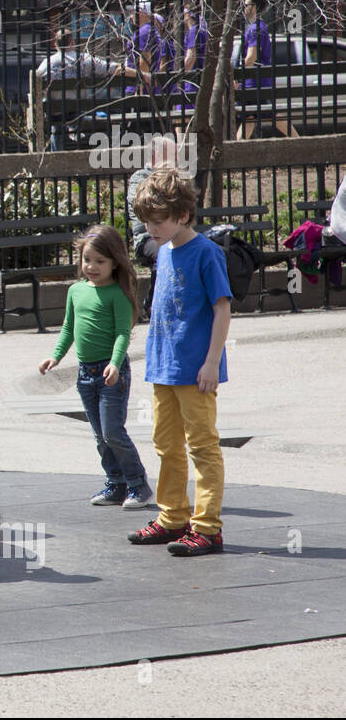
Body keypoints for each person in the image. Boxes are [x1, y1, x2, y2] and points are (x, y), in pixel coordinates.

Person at [128, 169, 231, 556]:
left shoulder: (206, 252)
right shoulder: (165, 251)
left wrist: (211, 363)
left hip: (195, 371)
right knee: (165, 444)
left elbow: (222, 310)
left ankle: (207, 528)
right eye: (146, 223)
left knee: (202, 446)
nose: (151, 230)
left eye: (159, 221)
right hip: (163, 369)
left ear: (183, 215)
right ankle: (173, 517)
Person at [38, 225, 150, 508]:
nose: (92, 266)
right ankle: (116, 483)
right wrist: (56, 356)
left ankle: (138, 485)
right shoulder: (76, 291)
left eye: (100, 261)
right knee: (100, 436)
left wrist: (114, 364)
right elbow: (68, 328)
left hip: (111, 373)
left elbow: (123, 334)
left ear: (115, 262)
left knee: (113, 432)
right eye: (88, 259)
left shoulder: (118, 293)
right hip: (85, 374)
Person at [35, 28, 127, 151]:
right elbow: (113, 68)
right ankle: (81, 142)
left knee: (57, 120)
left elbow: (38, 89)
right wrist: (142, 74)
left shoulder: (47, 63)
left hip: (56, 115)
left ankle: (56, 155)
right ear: (72, 43)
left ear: (55, 44)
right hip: (77, 113)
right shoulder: (83, 59)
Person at [235, 0, 297, 140]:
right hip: (255, 82)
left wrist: (237, 76)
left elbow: (251, 57)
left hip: (255, 83)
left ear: (254, 7)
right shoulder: (258, 27)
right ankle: (236, 148)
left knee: (268, 115)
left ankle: (299, 141)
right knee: (249, 117)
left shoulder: (255, 29)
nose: (244, 8)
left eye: (246, 5)